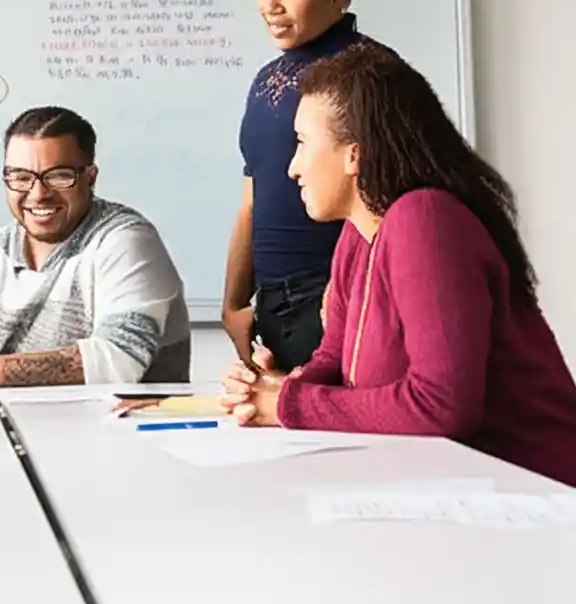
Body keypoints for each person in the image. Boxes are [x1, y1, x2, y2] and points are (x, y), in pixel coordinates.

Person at [220, 42, 576, 487]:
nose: (292, 167)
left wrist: (288, 405)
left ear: (353, 154)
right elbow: (334, 358)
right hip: (451, 488)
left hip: (537, 496)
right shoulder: (357, 233)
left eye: (302, 143)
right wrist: (273, 388)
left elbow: (441, 405)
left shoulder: (424, 220)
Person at [0, 106, 190, 386]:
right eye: (21, 178)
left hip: (127, 431)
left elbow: (121, 358)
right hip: (19, 426)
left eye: (58, 176)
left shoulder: (124, 239)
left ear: (90, 178)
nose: (38, 194)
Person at [222, 0, 372, 373]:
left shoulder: (369, 75)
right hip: (272, 308)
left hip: (336, 300)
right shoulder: (267, 79)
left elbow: (396, 202)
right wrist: (232, 305)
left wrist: (345, 295)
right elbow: (252, 198)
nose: (270, 6)